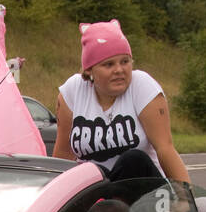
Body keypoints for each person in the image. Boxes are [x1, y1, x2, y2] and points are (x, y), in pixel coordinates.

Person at [53, 19, 190, 183]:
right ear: (90, 69)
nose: (119, 70)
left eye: (125, 62)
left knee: (132, 160)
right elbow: (63, 156)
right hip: (98, 192)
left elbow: (165, 148)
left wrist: (185, 200)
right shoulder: (72, 91)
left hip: (143, 190)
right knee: (91, 172)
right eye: (109, 64)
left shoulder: (142, 85)